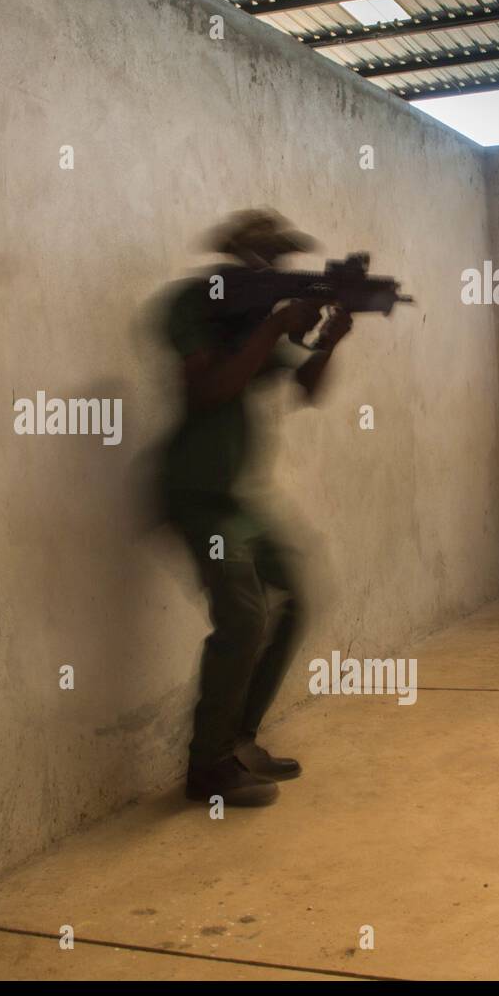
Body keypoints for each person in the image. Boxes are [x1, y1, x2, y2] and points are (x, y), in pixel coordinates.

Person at [160, 209, 354, 807]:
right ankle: (208, 768)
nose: (277, 267)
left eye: (281, 258)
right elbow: (209, 389)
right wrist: (272, 329)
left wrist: (326, 342)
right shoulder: (191, 306)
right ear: (240, 256)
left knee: (294, 598)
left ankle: (238, 741)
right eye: (267, 256)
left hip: (236, 496)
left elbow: (306, 391)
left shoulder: (251, 320)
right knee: (243, 618)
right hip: (195, 490)